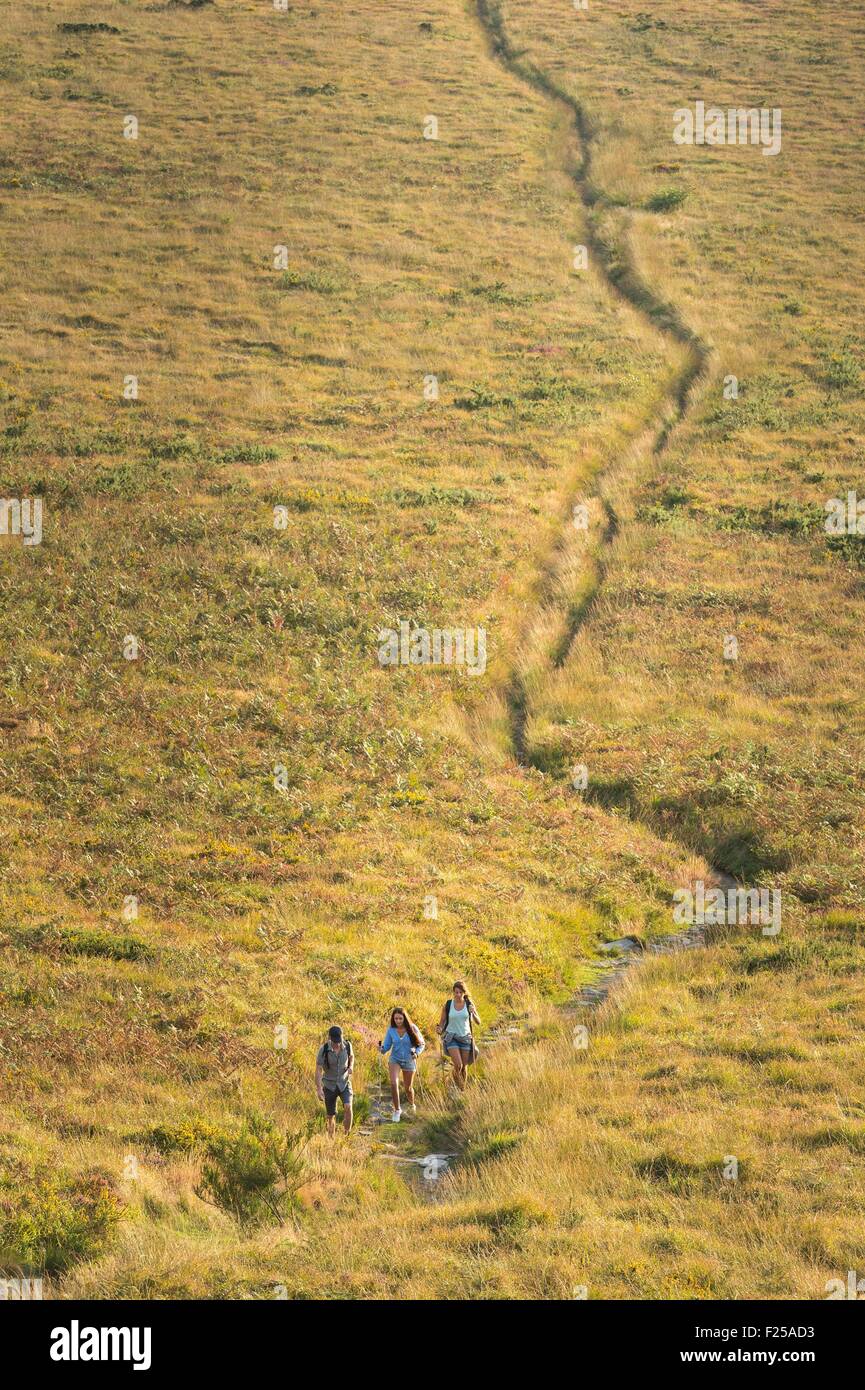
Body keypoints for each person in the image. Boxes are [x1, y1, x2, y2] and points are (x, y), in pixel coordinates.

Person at [379, 1008, 425, 1122]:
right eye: (396, 1018)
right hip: (395, 1059)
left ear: (404, 1018)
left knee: (408, 1088)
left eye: (400, 1018)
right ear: (393, 1019)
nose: (398, 1021)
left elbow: (422, 1044)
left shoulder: (412, 1028)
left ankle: (412, 1105)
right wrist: (382, 1049)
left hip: (409, 1060)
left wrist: (417, 1053)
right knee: (394, 1083)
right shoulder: (391, 1030)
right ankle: (397, 1110)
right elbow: (387, 1046)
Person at [437, 980, 480, 1092]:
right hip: (451, 1037)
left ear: (464, 993)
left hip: (465, 1038)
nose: (458, 995)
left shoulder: (469, 1004)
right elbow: (442, 1021)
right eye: (456, 992)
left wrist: (473, 1012)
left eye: (460, 992)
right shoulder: (448, 1004)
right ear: (453, 992)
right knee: (458, 1065)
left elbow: (478, 1022)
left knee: (464, 1068)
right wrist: (440, 1028)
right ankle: (454, 1087)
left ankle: (462, 1089)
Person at [315, 1025, 354, 1136]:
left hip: (344, 1083)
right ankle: (331, 1140)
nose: (337, 1044)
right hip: (329, 1085)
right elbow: (318, 1070)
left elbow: (351, 1057)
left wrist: (351, 1066)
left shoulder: (347, 1046)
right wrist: (319, 1089)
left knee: (348, 1106)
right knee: (330, 1115)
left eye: (339, 1041)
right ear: (330, 1038)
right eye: (335, 1041)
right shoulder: (324, 1050)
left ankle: (347, 1135)